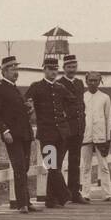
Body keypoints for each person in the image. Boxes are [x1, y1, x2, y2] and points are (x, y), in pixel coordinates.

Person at [26, 56, 82, 207]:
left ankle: (51, 200)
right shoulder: (36, 87)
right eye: (50, 69)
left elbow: (74, 104)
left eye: (55, 69)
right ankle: (65, 194)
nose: (53, 72)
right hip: (47, 135)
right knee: (52, 166)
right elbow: (27, 102)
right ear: (44, 69)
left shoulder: (60, 88)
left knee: (55, 167)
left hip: (62, 134)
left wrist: (66, 115)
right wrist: (30, 106)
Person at [0, 55, 37, 212]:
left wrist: (29, 109)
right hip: (12, 136)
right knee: (19, 167)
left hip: (25, 135)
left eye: (17, 68)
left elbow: (17, 114)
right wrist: (4, 130)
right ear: (4, 71)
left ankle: (26, 202)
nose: (16, 71)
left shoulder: (15, 90)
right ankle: (22, 204)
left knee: (25, 167)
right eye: (13, 68)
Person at [80, 71, 111, 202]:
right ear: (86, 81)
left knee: (104, 166)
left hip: (100, 136)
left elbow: (108, 118)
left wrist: (108, 137)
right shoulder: (82, 97)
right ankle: (85, 194)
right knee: (86, 166)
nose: (93, 83)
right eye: (90, 80)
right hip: (86, 135)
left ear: (99, 81)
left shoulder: (105, 97)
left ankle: (107, 194)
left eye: (96, 80)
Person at [59, 53, 86, 202]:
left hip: (78, 129)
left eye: (74, 66)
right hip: (65, 130)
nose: (72, 69)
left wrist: (83, 125)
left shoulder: (79, 83)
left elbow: (81, 105)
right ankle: (60, 194)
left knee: (75, 162)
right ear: (64, 68)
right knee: (58, 162)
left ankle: (74, 193)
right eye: (69, 67)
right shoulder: (59, 83)